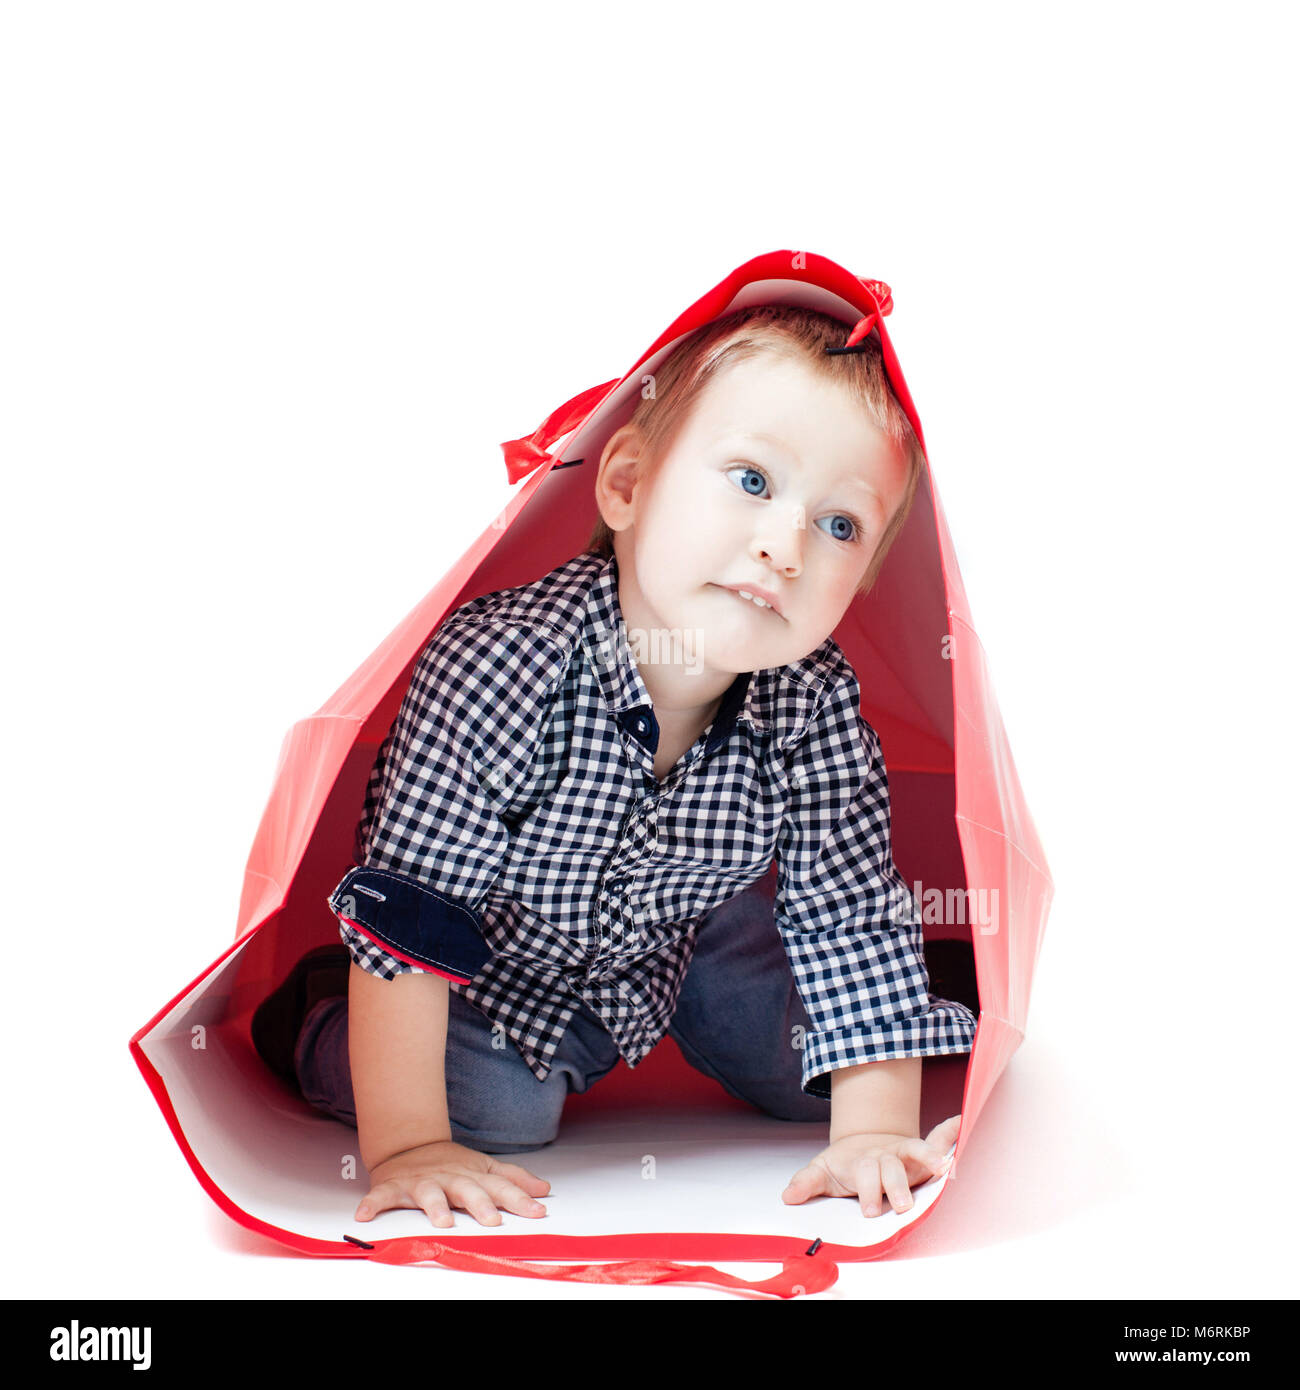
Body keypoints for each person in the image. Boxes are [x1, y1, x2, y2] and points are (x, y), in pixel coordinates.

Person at [252, 302, 977, 1231]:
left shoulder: (816, 699)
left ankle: (921, 996)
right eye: (751, 479)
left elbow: (843, 909)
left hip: (686, 927)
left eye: (840, 525)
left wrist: (870, 1133)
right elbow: (415, 913)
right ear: (628, 485)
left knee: (819, 1082)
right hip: (498, 955)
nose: (785, 547)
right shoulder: (505, 665)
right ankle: (316, 1018)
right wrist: (408, 1146)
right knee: (506, 1115)